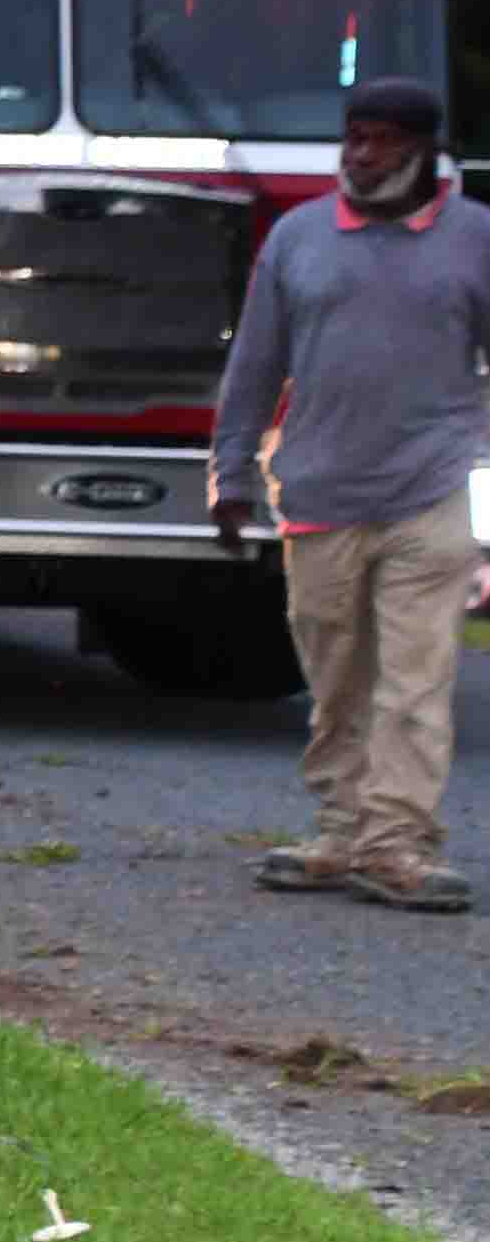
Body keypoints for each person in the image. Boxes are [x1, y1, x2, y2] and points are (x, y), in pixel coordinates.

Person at [211, 75, 490, 914]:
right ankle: (339, 829)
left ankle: (397, 843)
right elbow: (254, 364)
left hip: (434, 489)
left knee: (414, 679)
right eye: (353, 138)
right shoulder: (298, 237)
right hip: (319, 488)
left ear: (423, 151)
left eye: (381, 140)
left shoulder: (476, 238)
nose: (361, 155)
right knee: (336, 676)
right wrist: (229, 472)